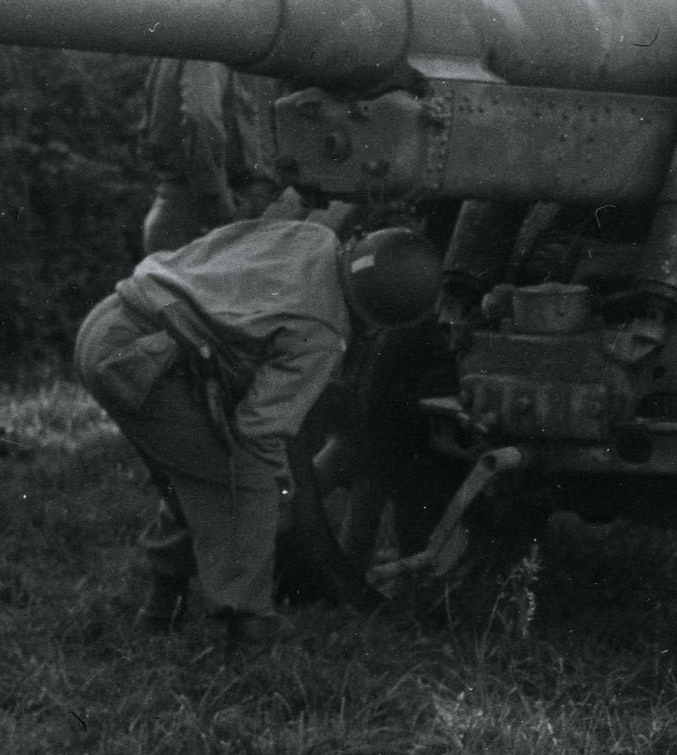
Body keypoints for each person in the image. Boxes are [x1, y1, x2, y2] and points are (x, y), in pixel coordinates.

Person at [73, 206, 443, 640]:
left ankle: (160, 609)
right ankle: (246, 620)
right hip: (142, 359)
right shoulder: (322, 332)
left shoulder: (313, 238)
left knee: (196, 472)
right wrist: (281, 484)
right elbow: (259, 432)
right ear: (378, 321)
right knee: (241, 481)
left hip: (113, 320)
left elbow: (219, 244)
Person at [137, 0, 279, 253]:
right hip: (200, 214)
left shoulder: (179, 32)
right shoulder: (208, 35)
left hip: (180, 208)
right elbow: (201, 116)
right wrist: (217, 197)